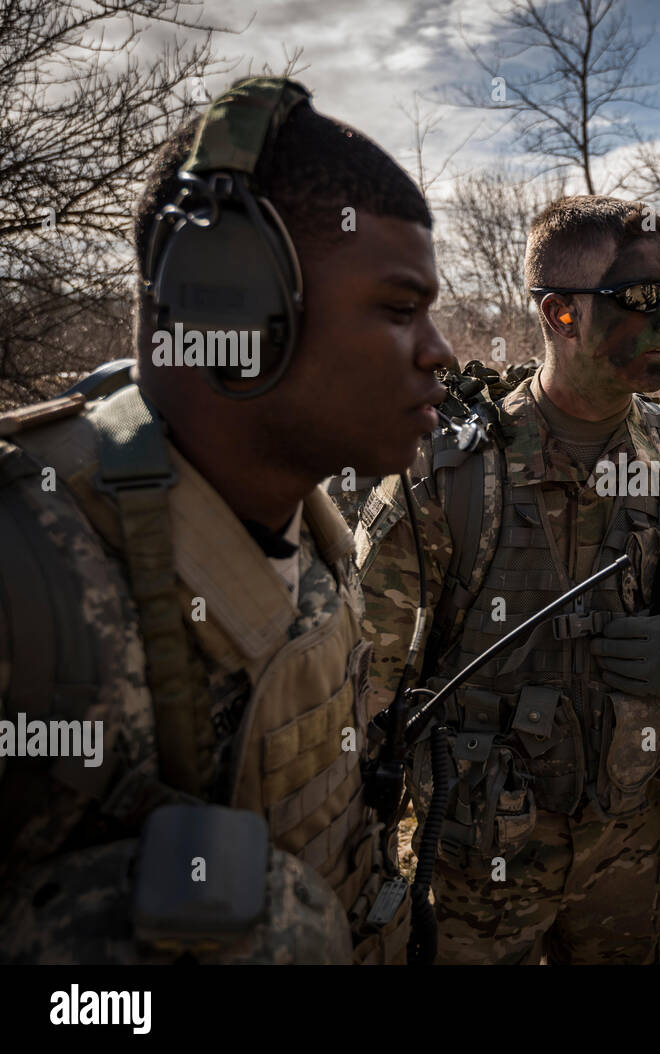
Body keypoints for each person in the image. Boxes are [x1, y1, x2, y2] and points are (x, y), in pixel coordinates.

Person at [0, 78, 454, 963]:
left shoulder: (313, 532)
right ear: (232, 304)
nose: (438, 350)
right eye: (401, 310)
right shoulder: (28, 569)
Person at [355, 195, 660, 964]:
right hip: (478, 862)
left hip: (629, 850)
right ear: (559, 313)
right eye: (641, 302)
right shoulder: (449, 471)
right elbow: (366, 682)